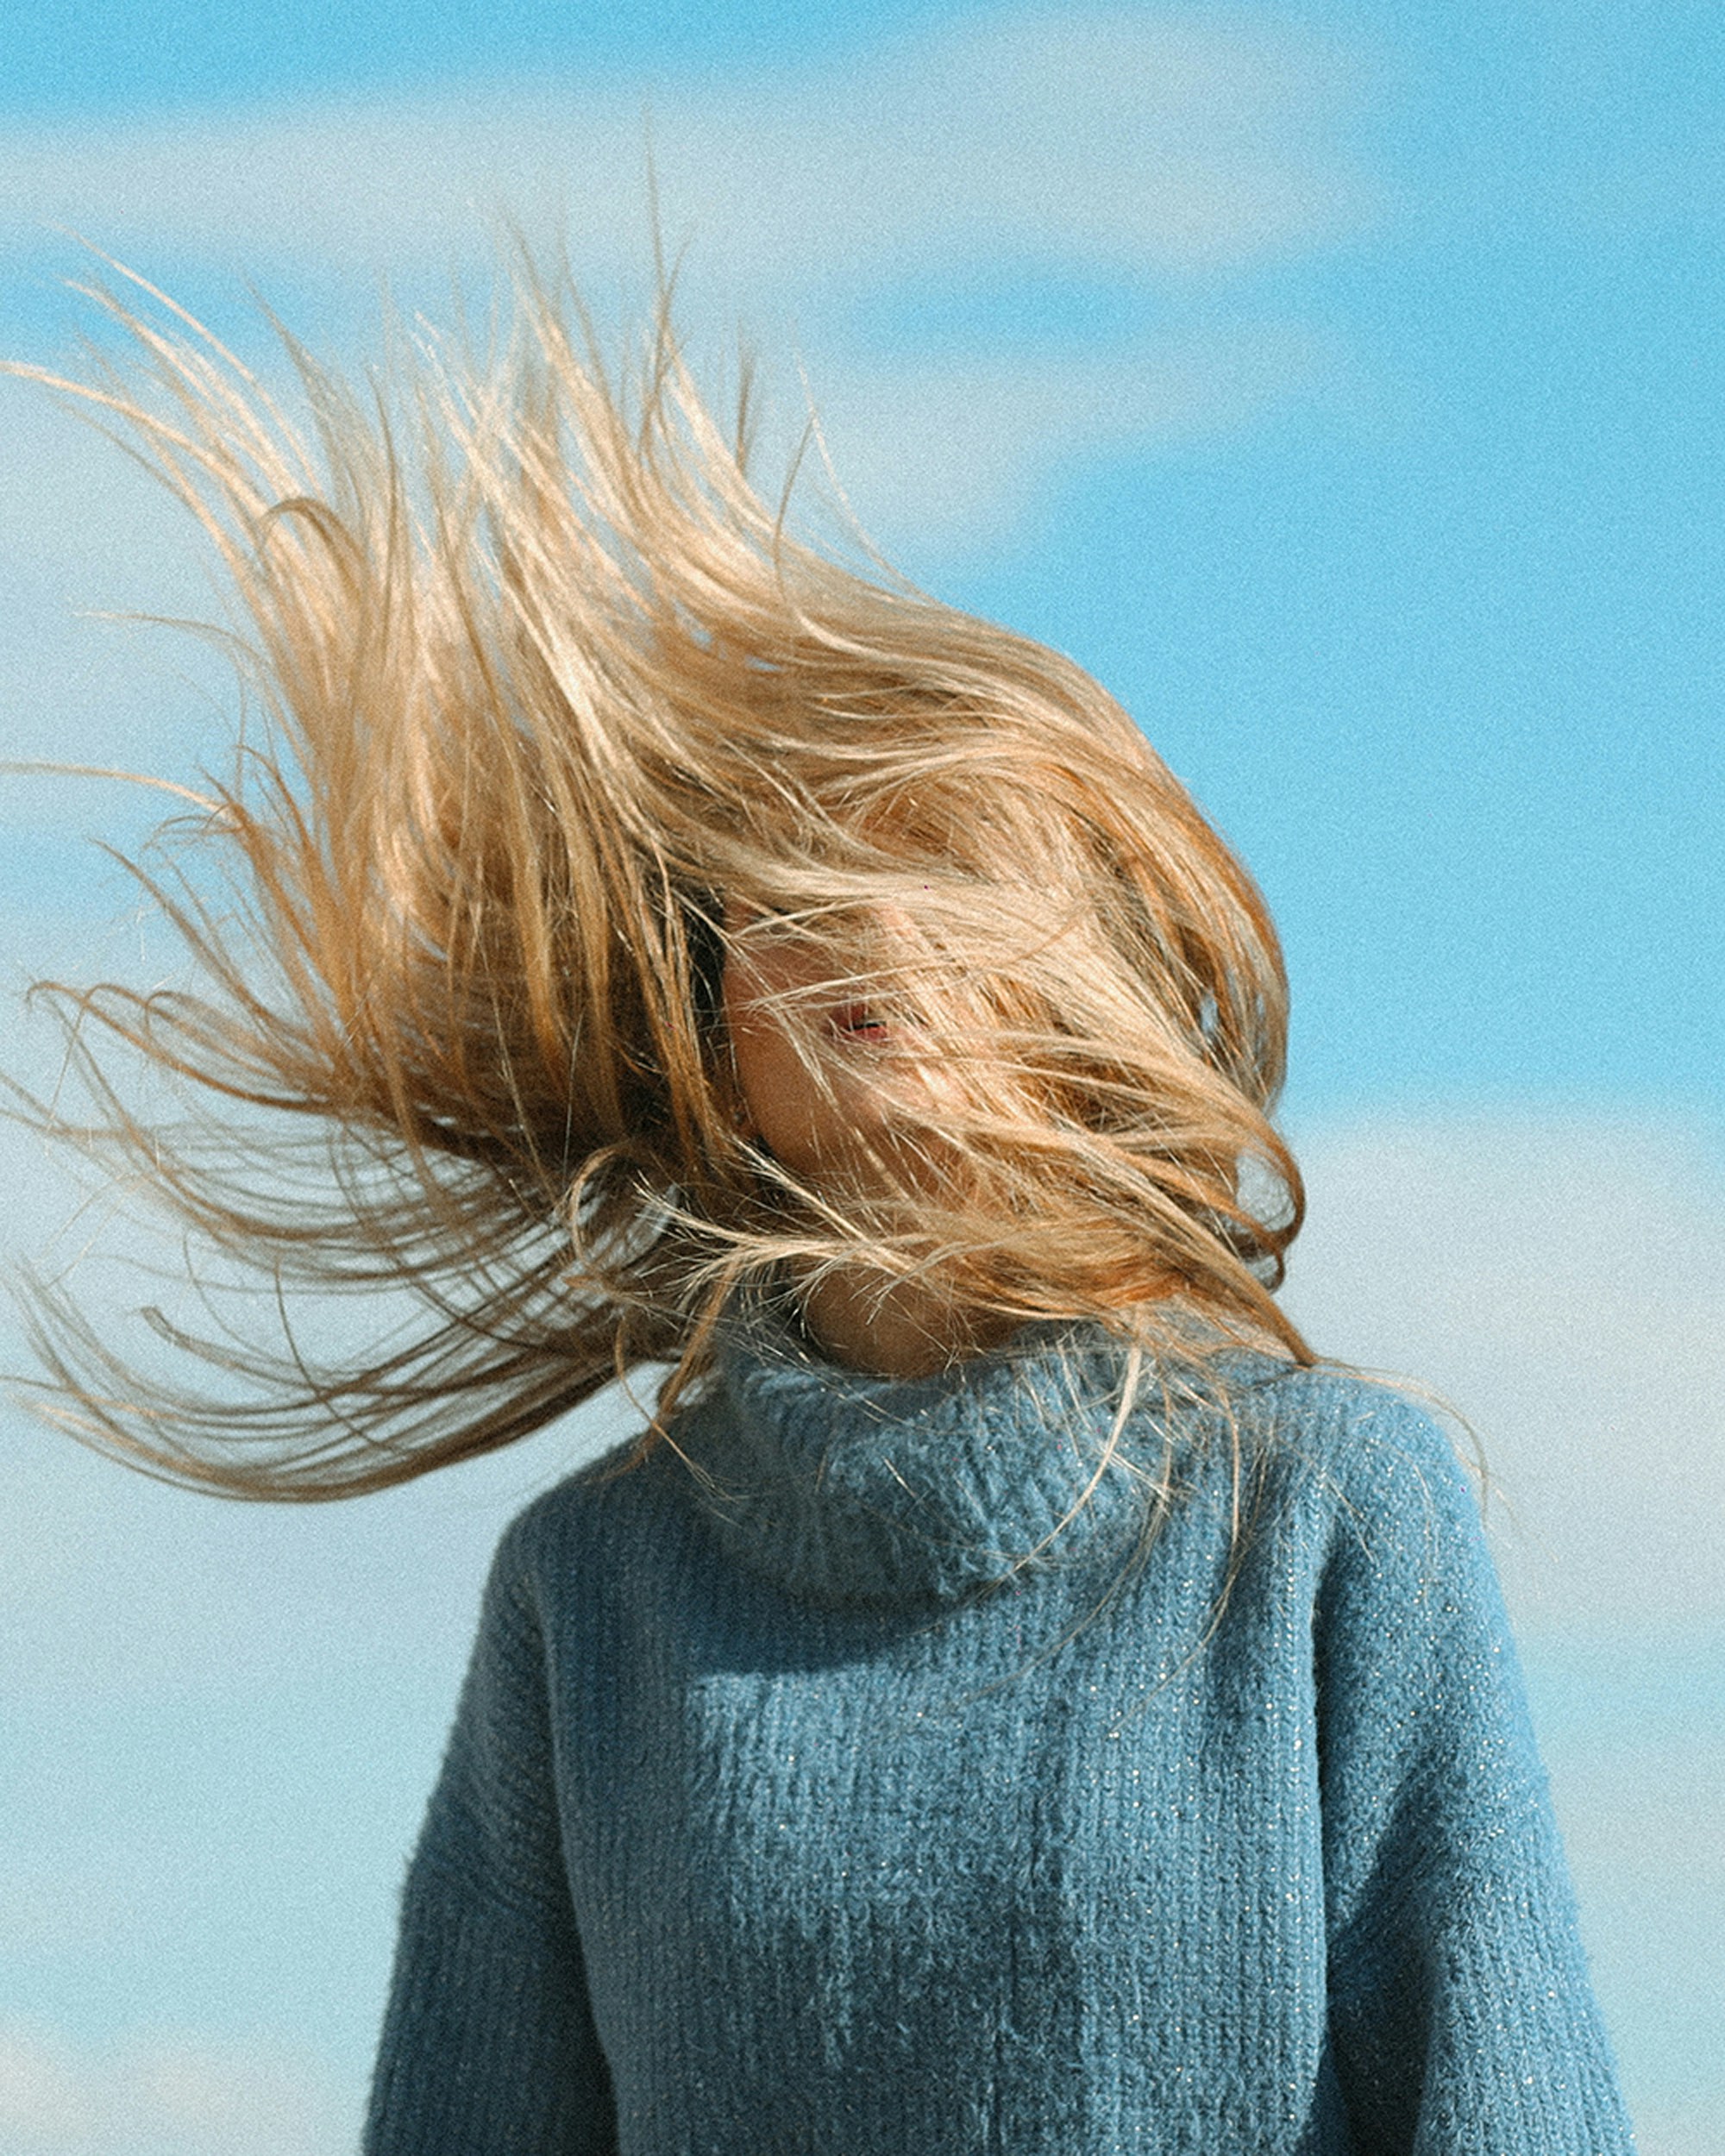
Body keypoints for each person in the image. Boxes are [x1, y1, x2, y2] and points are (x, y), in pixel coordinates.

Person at [10, 264, 1634, 2153]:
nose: (864, 913)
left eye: (942, 855)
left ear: (1081, 979)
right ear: (713, 1012)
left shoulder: (1327, 1516)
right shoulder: (591, 1593)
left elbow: (1513, 2106)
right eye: (801, 867)